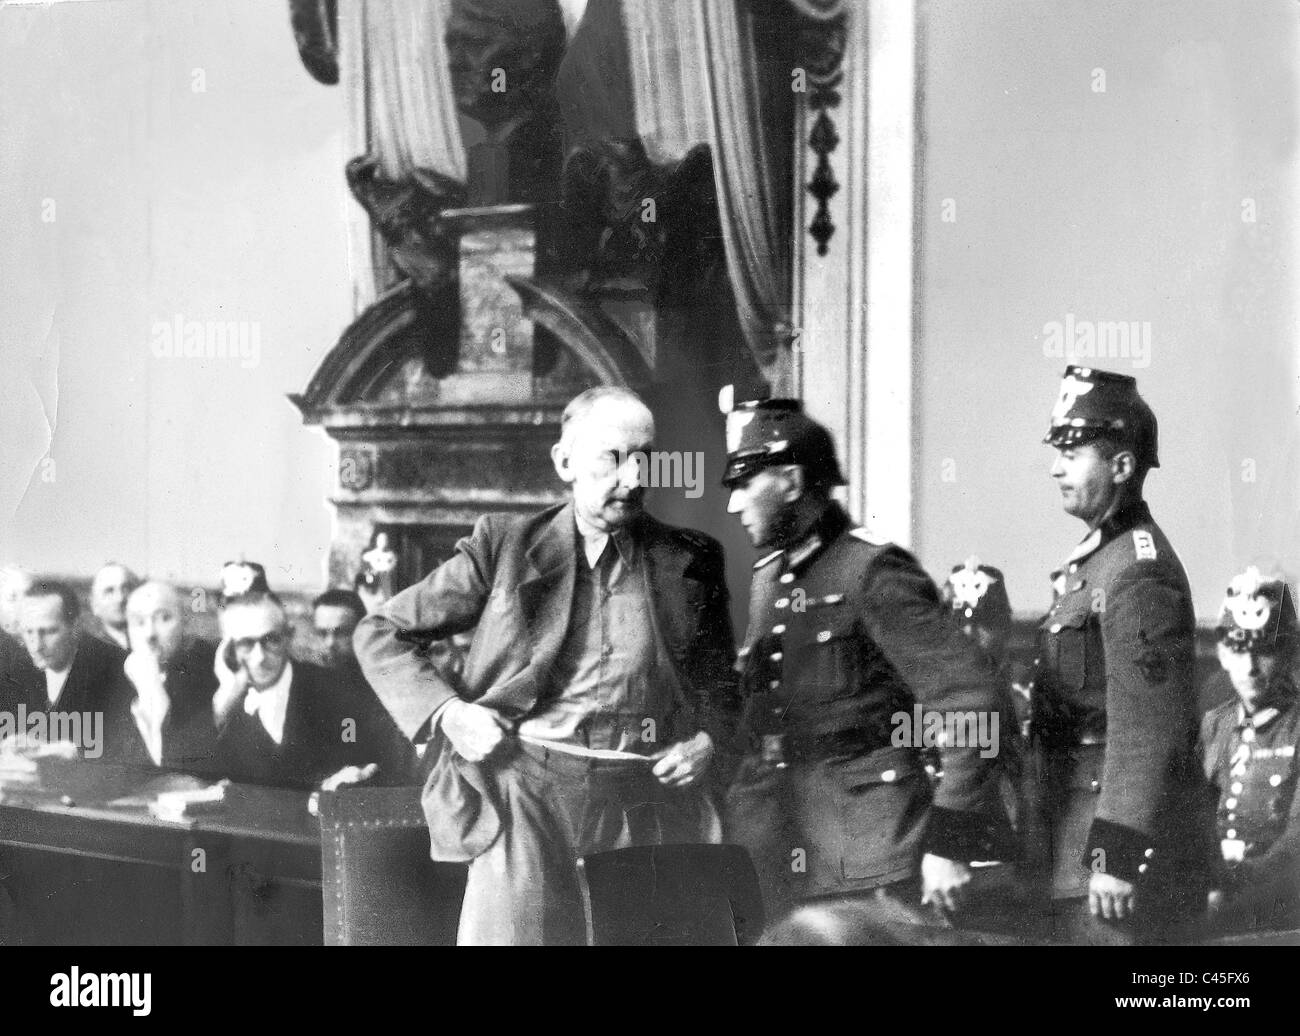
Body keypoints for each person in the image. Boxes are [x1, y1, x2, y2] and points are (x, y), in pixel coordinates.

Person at [354, 386, 739, 945]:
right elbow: (381, 631)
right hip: (525, 796)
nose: (634, 477)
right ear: (565, 462)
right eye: (613, 457)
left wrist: (707, 740)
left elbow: (723, 689)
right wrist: (448, 713)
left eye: (646, 458)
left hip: (644, 801)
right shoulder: (505, 545)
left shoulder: (691, 559)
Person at [719, 396, 1014, 930]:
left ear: (789, 481)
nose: (734, 504)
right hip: (784, 843)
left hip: (873, 842)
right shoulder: (768, 580)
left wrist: (950, 839)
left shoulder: (873, 571)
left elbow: (972, 702)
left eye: (744, 485)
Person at [1027, 365, 1212, 944]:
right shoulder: (1096, 563)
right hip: (1075, 832)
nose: (1056, 466)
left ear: (1122, 466)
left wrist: (1116, 852)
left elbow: (1148, 726)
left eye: (1073, 451)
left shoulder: (1139, 569)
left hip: (1113, 851)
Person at [213, 589, 401, 791]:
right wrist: (225, 701)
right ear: (229, 649)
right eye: (246, 644)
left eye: (270, 640)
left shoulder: (339, 690)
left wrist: (356, 774)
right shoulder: (227, 704)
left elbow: (381, 760)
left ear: (289, 636)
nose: (259, 657)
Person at [1200, 568, 1299, 933]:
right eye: (1239, 648)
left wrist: (1232, 887)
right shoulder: (1214, 725)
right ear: (1223, 653)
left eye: (1266, 650)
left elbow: (1296, 843)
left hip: (1277, 912)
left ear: (1289, 653)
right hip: (1212, 897)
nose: (1251, 667)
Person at [100, 581, 220, 774]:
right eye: (139, 622)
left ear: (185, 621)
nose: (150, 634)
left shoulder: (205, 674)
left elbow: (179, 762)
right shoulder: (114, 679)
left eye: (163, 618)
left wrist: (152, 689)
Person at [311, 588, 417, 784]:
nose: (329, 643)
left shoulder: (382, 686)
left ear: (360, 631)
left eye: (340, 633)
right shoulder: (310, 686)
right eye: (321, 633)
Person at [4, 581, 126, 745]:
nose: (36, 645)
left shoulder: (119, 669)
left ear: (75, 627)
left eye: (48, 632)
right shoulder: (12, 671)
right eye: (28, 631)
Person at [84, 563, 140, 652]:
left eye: (126, 589)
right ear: (94, 604)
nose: (120, 598)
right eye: (109, 591)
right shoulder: (89, 651)